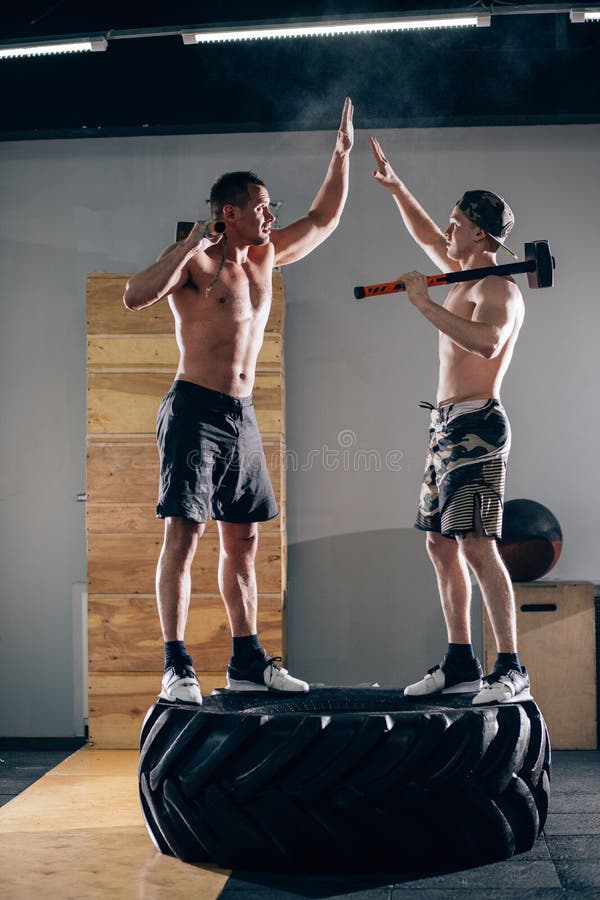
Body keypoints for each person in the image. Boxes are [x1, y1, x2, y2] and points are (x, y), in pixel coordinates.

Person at [123, 98, 354, 704]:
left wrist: (342, 156)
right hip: (194, 408)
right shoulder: (198, 264)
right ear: (230, 212)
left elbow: (324, 218)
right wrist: (192, 242)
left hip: (241, 416)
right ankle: (176, 665)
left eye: (270, 206)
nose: (271, 214)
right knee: (183, 534)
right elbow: (133, 296)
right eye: (260, 206)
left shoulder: (268, 256)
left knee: (244, 542)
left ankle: (248, 660)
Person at [370, 135, 530, 705]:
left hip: (478, 427)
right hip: (443, 428)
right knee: (441, 546)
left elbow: (486, 345)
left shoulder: (498, 288)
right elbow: (424, 234)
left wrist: (422, 304)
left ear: (481, 233)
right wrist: (396, 187)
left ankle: (510, 669)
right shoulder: (461, 273)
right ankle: (461, 662)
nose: (448, 230)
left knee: (477, 545)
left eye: (457, 222)